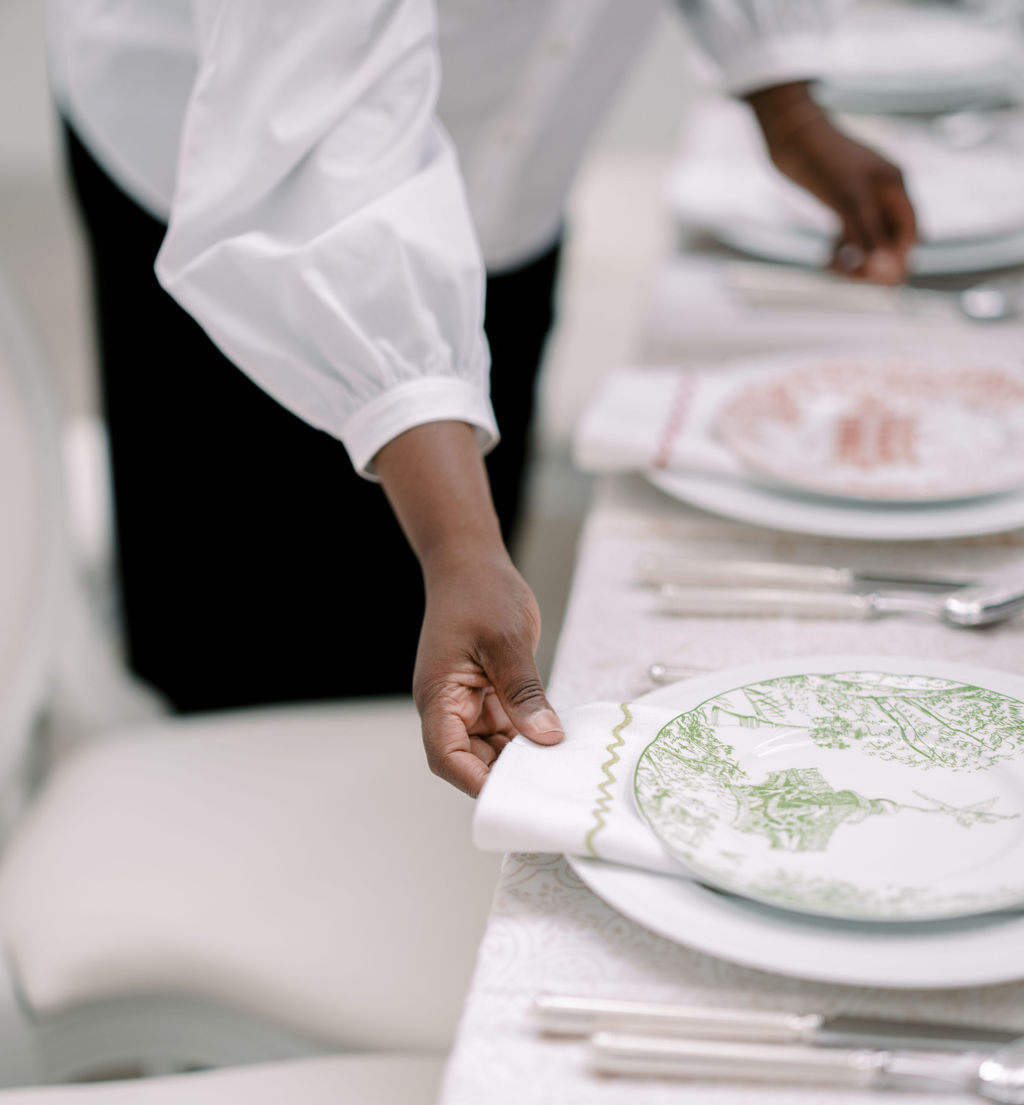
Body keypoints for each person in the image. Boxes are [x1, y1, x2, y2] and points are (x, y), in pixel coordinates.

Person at [47, 1, 917, 796]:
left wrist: (785, 105)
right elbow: (320, 142)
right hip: (245, 183)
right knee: (253, 646)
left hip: (503, 160)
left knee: (443, 638)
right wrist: (458, 542)